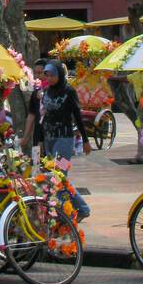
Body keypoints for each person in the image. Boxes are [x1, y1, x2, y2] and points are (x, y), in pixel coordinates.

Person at [36, 60, 92, 220]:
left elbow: (78, 116)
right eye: (47, 75)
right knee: (54, 177)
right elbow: (43, 116)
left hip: (65, 140)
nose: (49, 78)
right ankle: (77, 209)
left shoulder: (68, 91)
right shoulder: (46, 91)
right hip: (49, 139)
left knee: (58, 175)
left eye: (52, 75)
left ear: (59, 74)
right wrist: (40, 140)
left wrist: (86, 140)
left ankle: (68, 211)